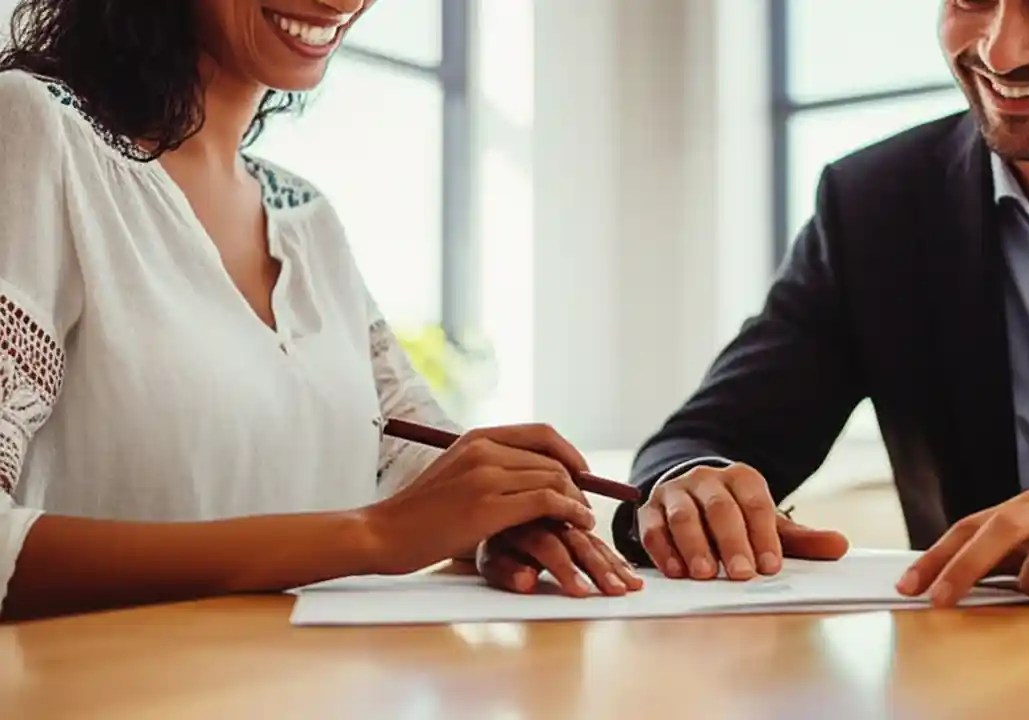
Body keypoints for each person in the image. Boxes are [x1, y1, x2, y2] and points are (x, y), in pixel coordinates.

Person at [615, 0, 1029, 605]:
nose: (1001, 52)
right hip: (990, 674)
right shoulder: (873, 206)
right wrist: (694, 489)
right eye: (970, 0)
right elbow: (705, 439)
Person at [0, 0, 641, 621]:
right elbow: (392, 523)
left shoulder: (307, 219)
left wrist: (497, 521)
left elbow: (415, 461)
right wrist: (370, 537)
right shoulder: (35, 128)